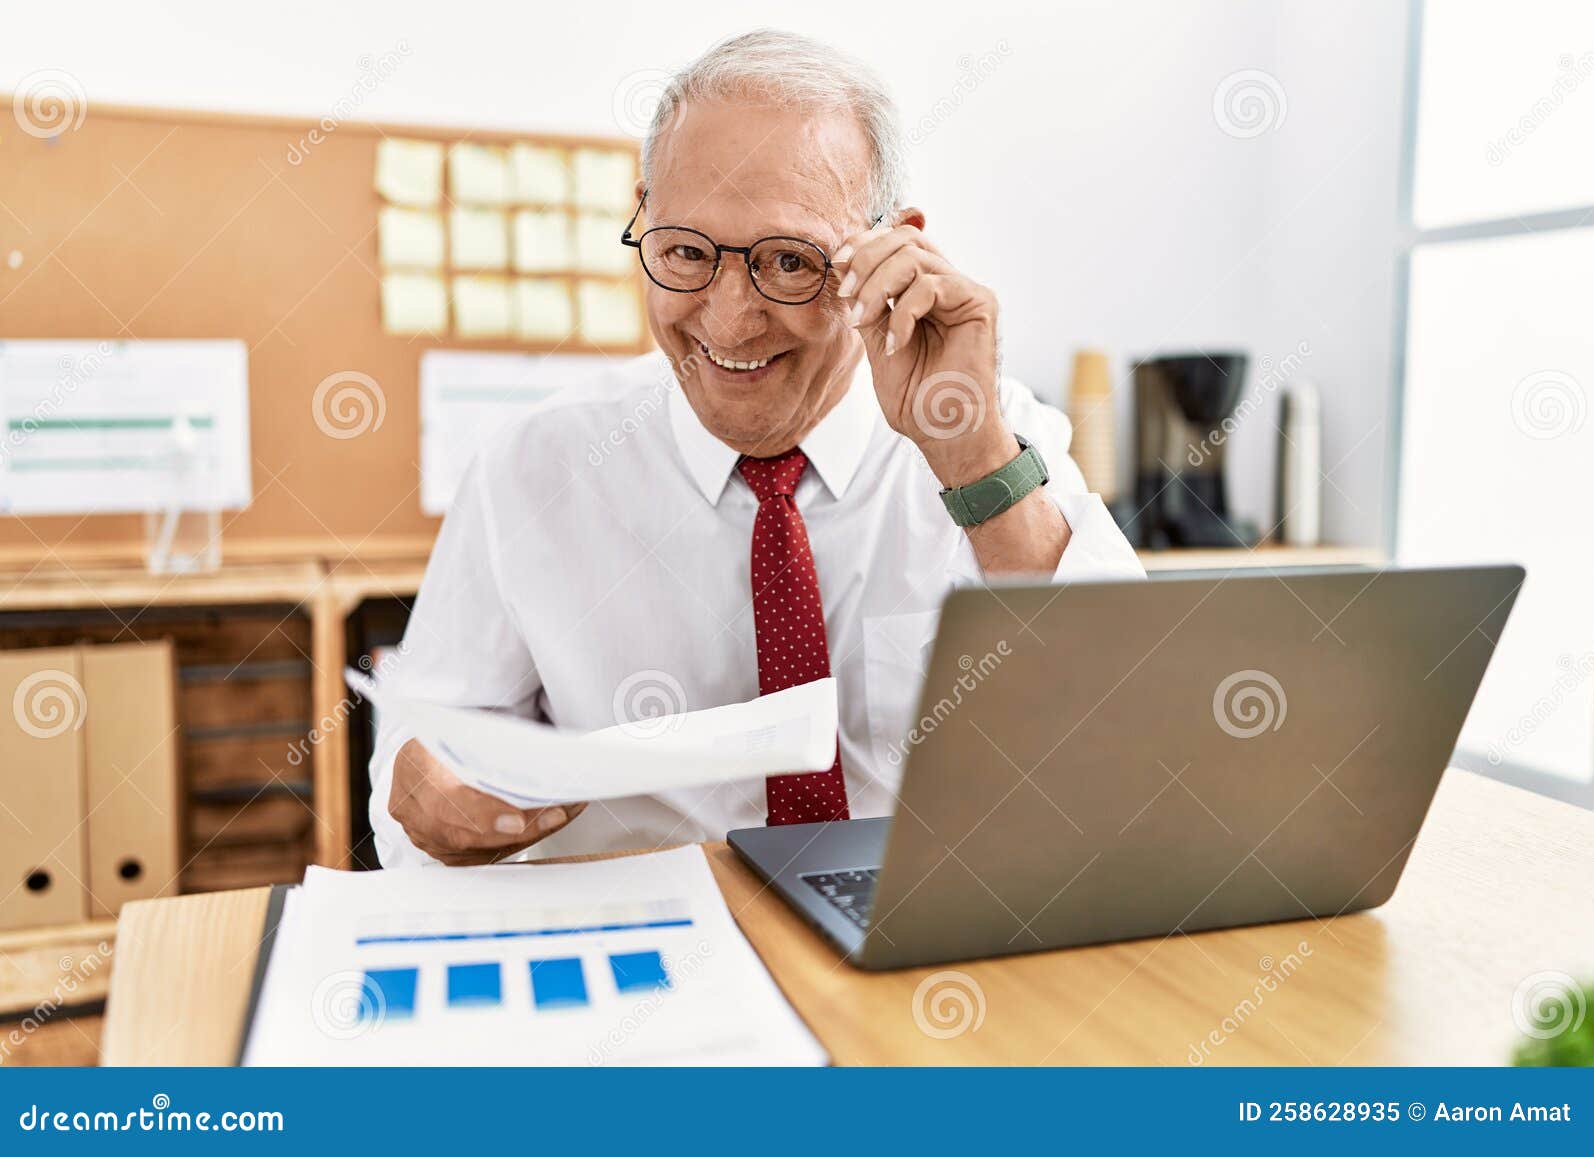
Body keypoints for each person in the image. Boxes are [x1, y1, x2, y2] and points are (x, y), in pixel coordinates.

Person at [371, 28, 1143, 867]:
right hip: (643, 943)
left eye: (788, 261)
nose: (729, 319)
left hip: (911, 943)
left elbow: (1138, 745)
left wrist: (975, 463)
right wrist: (423, 793)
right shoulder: (536, 468)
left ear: (896, 249)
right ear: (646, 220)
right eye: (686, 252)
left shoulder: (995, 444)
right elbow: (425, 745)